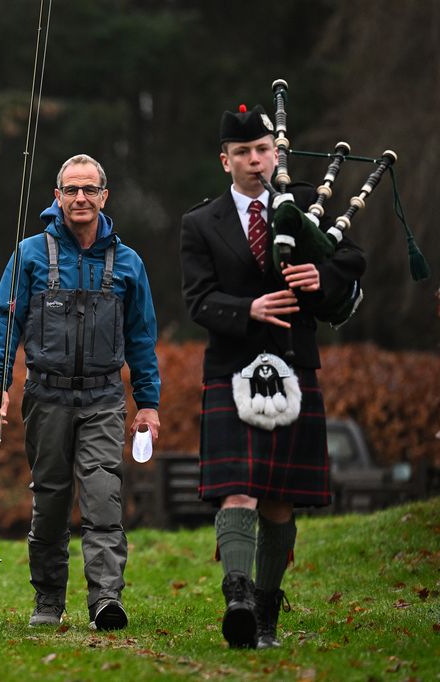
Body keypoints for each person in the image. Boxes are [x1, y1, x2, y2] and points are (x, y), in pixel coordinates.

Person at [179, 105, 366, 649]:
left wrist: (320, 274)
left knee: (281, 499)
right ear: (225, 160)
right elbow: (197, 300)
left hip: (296, 364)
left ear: (275, 153)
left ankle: (265, 615)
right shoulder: (200, 223)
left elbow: (352, 262)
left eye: (262, 149)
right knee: (237, 492)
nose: (254, 160)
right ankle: (236, 598)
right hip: (232, 369)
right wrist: (249, 310)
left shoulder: (308, 203)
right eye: (242, 152)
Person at [0, 154, 161, 631]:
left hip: (104, 399)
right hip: (46, 398)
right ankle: (47, 599)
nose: (79, 198)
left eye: (89, 190)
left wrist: (148, 404)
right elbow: (6, 321)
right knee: (51, 502)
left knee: (103, 497)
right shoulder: (30, 255)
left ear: (105, 196)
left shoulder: (128, 263)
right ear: (56, 196)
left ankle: (106, 598)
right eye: (70, 190)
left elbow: (143, 339)